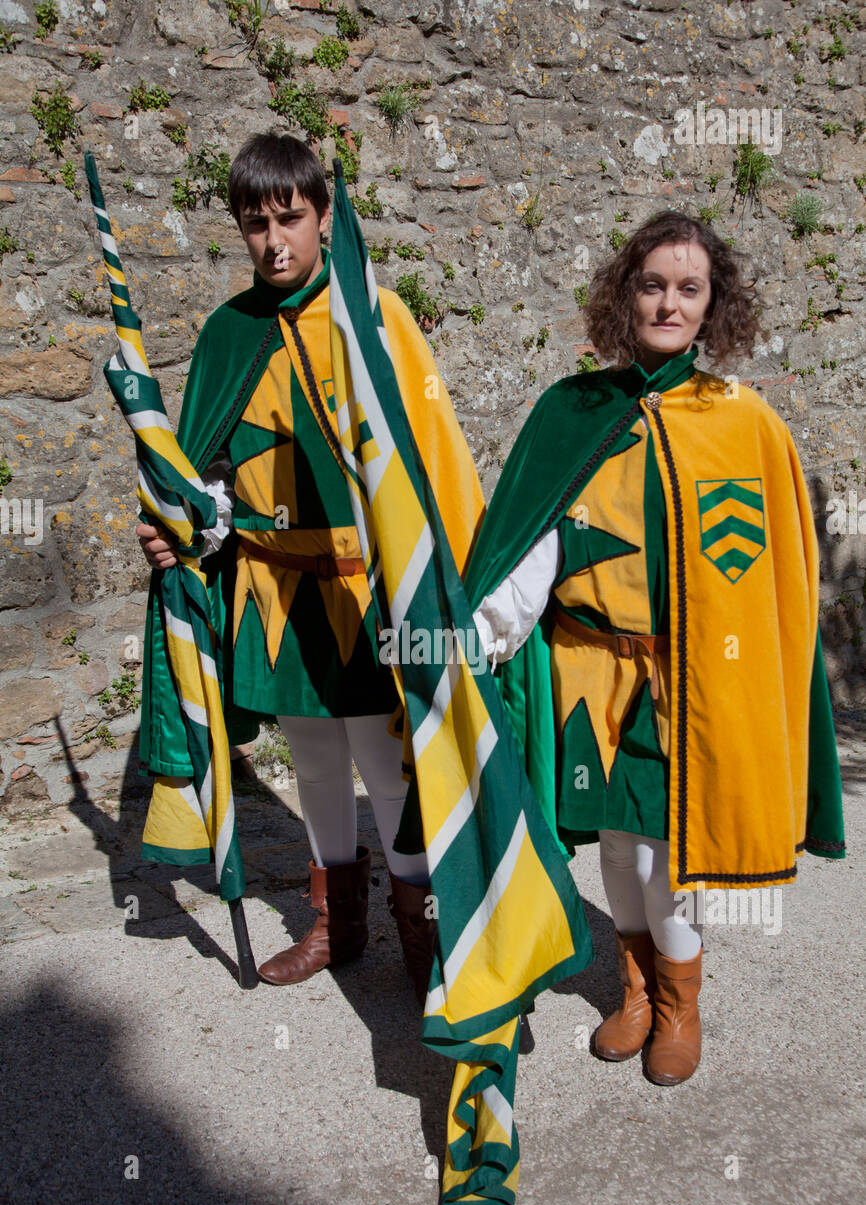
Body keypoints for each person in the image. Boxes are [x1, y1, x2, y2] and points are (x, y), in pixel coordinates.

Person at [465, 210, 845, 1085]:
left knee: (670, 849)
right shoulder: (573, 411)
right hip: (590, 671)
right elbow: (535, 543)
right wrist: (484, 632)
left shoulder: (741, 422)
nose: (668, 303)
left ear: (714, 307)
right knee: (613, 840)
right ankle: (633, 988)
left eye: (689, 288)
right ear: (624, 293)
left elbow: (775, 577)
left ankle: (680, 1004)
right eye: (652, 284)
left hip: (690, 683)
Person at [137, 132, 484, 998]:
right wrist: (177, 530)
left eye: (291, 217)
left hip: (368, 588)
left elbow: (431, 456)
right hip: (272, 589)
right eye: (256, 224)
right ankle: (338, 924)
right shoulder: (228, 334)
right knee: (315, 759)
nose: (275, 240)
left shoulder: (376, 315)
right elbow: (203, 472)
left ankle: (418, 924)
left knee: (383, 758)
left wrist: (455, 584)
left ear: (325, 218)